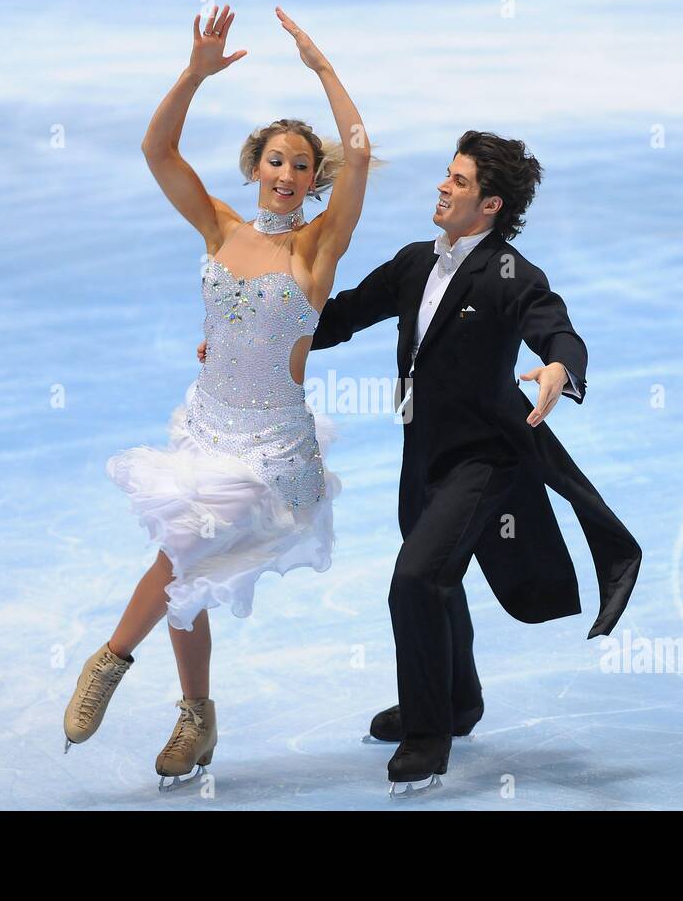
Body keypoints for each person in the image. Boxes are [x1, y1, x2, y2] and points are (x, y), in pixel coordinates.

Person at [200, 131, 642, 794]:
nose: (443, 186)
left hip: (486, 460)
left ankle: (428, 735)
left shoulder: (510, 275)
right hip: (423, 456)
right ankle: (457, 700)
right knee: (439, 575)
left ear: (490, 205)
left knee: (415, 579)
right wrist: (251, 336)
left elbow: (558, 329)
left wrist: (559, 369)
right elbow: (339, 317)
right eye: (447, 174)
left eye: (459, 181)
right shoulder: (415, 264)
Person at [63, 4, 372, 791]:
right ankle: (197, 716)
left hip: (268, 449)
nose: (286, 173)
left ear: (313, 179)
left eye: (301, 164)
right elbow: (156, 148)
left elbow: (361, 151)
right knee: (187, 563)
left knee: (182, 549)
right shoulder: (219, 226)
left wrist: (321, 67)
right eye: (275, 159)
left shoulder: (315, 248)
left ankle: (110, 659)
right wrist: (194, 74)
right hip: (206, 425)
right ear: (255, 164)